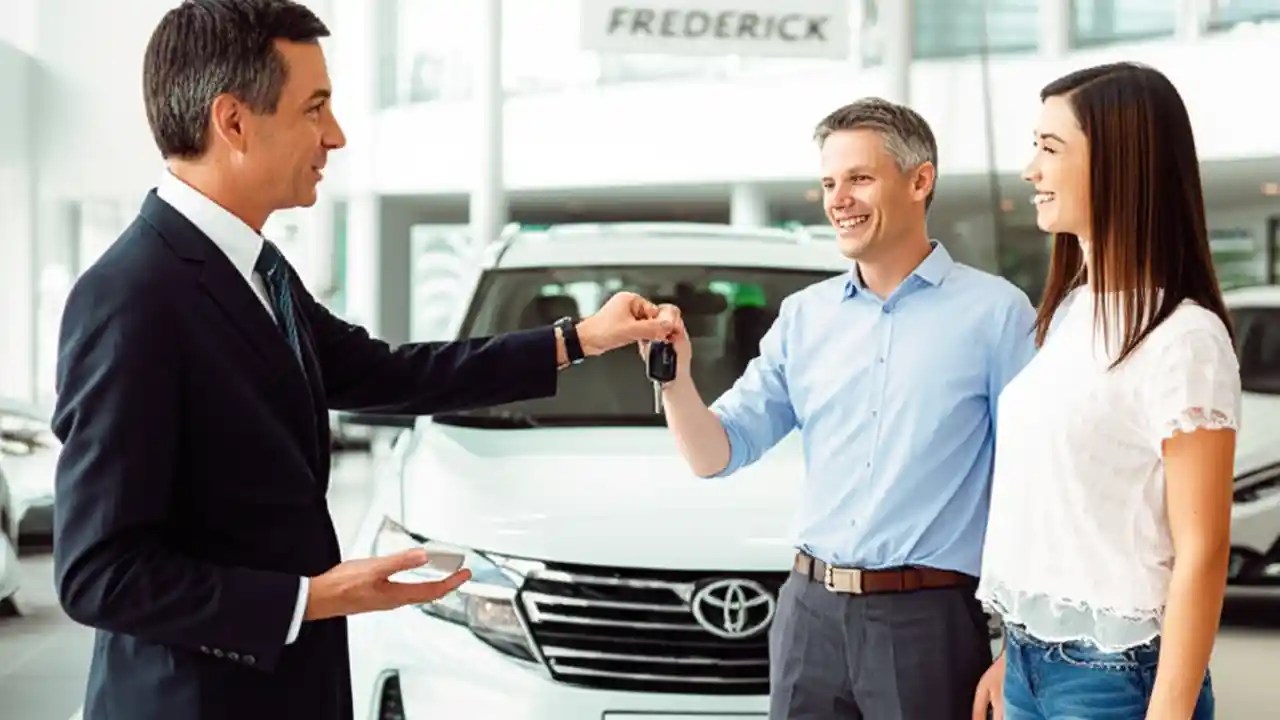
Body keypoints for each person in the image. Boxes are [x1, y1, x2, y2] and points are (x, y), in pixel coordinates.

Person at [49, 2, 671, 719]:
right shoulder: (130, 299)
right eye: (315, 108)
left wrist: (578, 339)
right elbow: (101, 574)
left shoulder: (256, 268)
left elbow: (389, 374)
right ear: (234, 121)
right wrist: (316, 598)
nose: (335, 136)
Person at [647, 97, 1038, 719]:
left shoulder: (998, 314)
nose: (838, 200)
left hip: (926, 622)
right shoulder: (805, 316)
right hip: (808, 616)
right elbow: (715, 453)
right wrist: (676, 381)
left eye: (859, 178)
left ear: (920, 180)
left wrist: (1017, 648)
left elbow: (1033, 486)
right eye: (829, 182)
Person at [974, 62, 1239, 720]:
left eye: (1050, 148)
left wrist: (1169, 711)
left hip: (1115, 679)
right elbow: (1062, 511)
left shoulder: (1184, 338)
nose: (1030, 170)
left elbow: (1203, 549)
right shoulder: (1072, 313)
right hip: (1034, 664)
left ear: (1121, 161)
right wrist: (1018, 651)